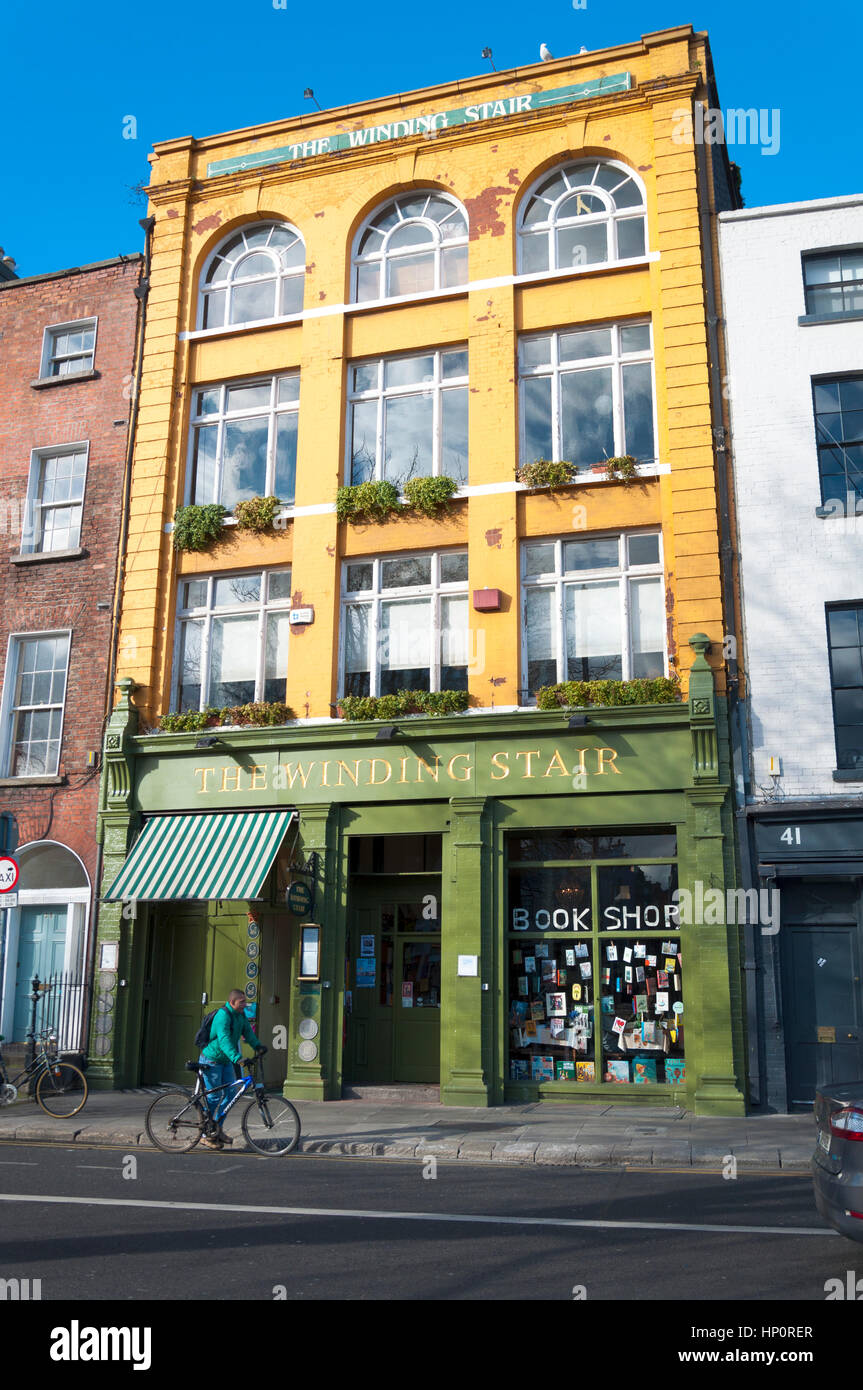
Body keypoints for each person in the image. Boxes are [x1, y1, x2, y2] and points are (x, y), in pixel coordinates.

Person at [198, 990, 266, 1149]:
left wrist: (257, 1046)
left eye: (245, 1001)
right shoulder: (223, 1016)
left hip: (226, 1060)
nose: (245, 1004)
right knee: (214, 1097)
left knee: (231, 1094)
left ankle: (217, 1128)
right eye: (242, 1001)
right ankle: (204, 1134)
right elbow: (224, 1040)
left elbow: (248, 1032)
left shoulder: (240, 1015)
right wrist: (238, 1058)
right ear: (233, 1002)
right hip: (212, 1060)